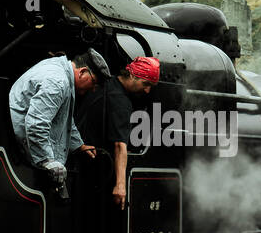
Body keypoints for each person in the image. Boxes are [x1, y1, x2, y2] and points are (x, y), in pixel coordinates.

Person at [9, 49, 111, 201]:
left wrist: (79, 145)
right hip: (23, 153)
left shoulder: (59, 68)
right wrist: (48, 161)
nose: (94, 89)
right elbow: (37, 123)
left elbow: (63, 117)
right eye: (94, 82)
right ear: (83, 72)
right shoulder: (58, 82)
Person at [77, 56, 160, 210]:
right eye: (146, 84)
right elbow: (119, 145)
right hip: (91, 171)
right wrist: (121, 185)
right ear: (133, 76)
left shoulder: (106, 83)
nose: (148, 90)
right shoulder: (121, 102)